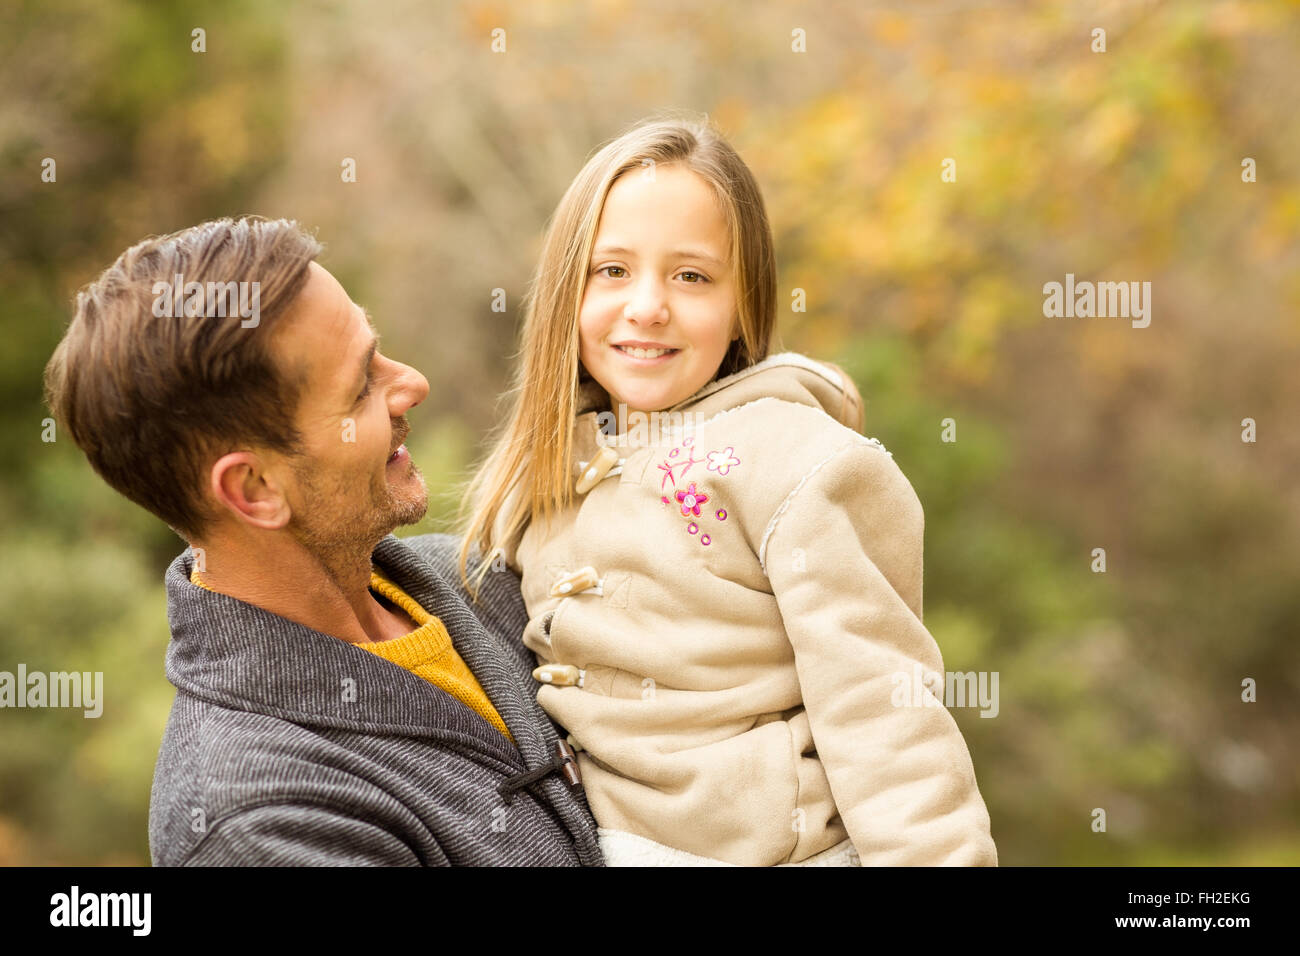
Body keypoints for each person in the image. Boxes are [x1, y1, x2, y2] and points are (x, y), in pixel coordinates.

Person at [459, 115, 999, 866]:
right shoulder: (546, 475)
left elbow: (884, 713)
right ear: (564, 294)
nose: (648, 305)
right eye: (612, 270)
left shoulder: (800, 465)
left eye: (691, 276)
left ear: (744, 303)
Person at [44, 217, 602, 866]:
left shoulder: (484, 577)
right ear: (254, 488)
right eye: (362, 384)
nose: (412, 383)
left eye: (378, 347)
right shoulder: (259, 824)